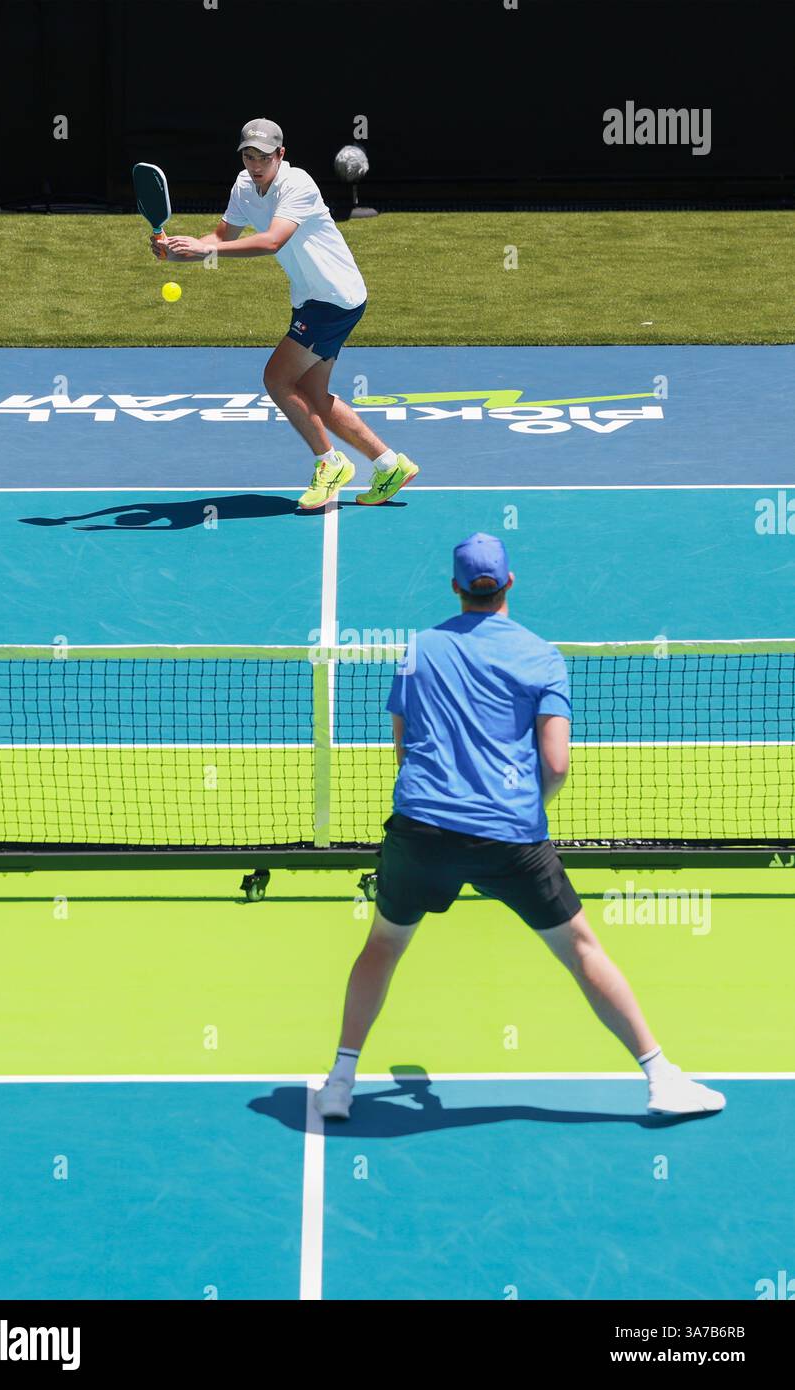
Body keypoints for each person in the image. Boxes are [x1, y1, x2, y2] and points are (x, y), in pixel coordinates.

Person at [315, 533, 726, 1120]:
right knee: (583, 950)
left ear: (455, 588)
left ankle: (339, 1082)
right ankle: (661, 1078)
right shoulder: (542, 656)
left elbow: (405, 747)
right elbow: (556, 763)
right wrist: (525, 806)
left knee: (382, 945)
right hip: (511, 834)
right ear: (509, 583)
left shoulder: (420, 649)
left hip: (422, 827)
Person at [149, 118, 418, 511]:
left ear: (280, 155)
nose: (255, 164)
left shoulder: (298, 185)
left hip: (333, 297)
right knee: (310, 394)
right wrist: (176, 250)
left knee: (276, 378)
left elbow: (273, 241)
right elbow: (223, 237)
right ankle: (390, 465)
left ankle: (330, 464)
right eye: (247, 155)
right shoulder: (243, 186)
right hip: (312, 296)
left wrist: (203, 251)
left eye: (263, 156)